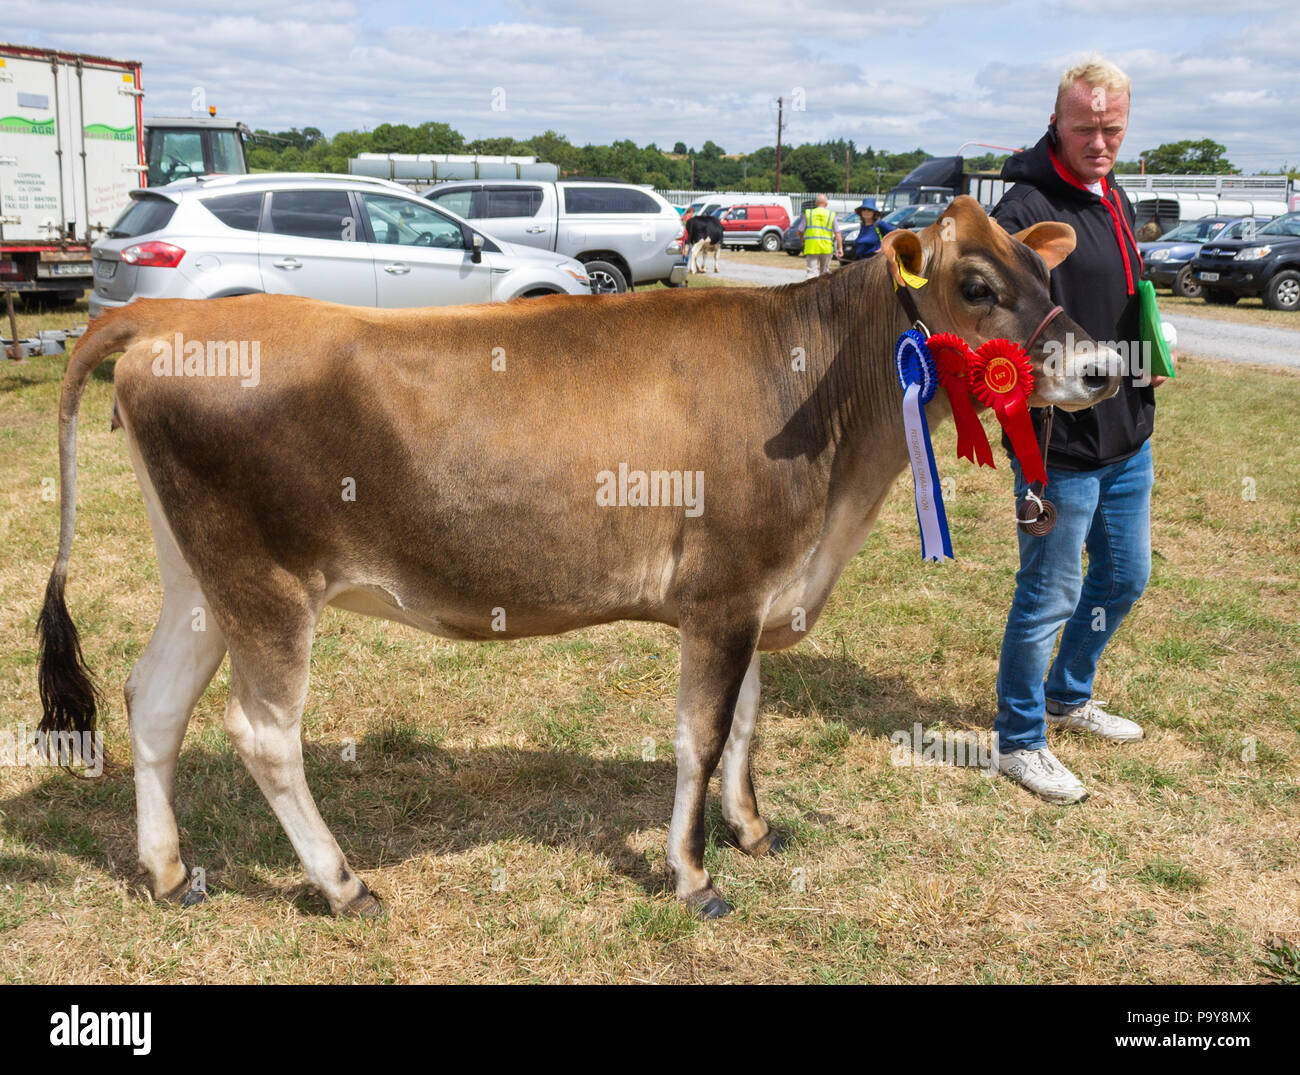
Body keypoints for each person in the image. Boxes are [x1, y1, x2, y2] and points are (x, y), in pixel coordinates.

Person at [989, 55, 1175, 803]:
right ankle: (1019, 738)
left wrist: (1149, 352)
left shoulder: (1114, 193)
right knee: (1049, 591)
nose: (1099, 141)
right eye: (1084, 127)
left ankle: (1070, 692)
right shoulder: (1023, 211)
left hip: (1128, 433)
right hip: (1060, 443)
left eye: (1112, 127)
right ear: (1055, 123)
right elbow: (998, 325)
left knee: (1126, 574)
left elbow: (1124, 295)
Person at [801, 193, 842, 276]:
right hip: (826, 248)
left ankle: (812, 289)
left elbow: (800, 230)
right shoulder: (831, 215)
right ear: (826, 204)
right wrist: (840, 247)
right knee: (825, 273)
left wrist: (802, 239)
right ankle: (824, 289)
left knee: (811, 273)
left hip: (812, 247)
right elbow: (837, 233)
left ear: (815, 203)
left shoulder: (808, 213)